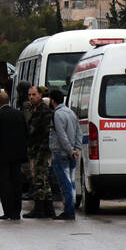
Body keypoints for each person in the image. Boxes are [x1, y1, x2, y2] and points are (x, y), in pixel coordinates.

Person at [0, 88, 28, 220]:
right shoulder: (19, 114)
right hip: (17, 156)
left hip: (2, 156)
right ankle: (17, 212)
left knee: (4, 185)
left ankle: (8, 211)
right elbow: (25, 134)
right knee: (16, 184)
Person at [24, 84, 56, 219]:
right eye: (30, 95)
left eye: (34, 95)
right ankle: (47, 208)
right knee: (43, 179)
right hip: (36, 149)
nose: (31, 97)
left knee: (39, 178)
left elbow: (40, 133)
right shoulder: (35, 110)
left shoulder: (44, 111)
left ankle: (40, 208)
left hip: (41, 149)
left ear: (40, 95)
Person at [49, 89, 79, 220]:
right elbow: (79, 132)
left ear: (52, 100)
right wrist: (76, 149)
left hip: (61, 153)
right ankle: (70, 210)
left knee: (65, 183)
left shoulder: (57, 114)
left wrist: (70, 151)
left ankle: (68, 211)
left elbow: (61, 136)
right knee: (71, 183)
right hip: (71, 153)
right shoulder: (71, 113)